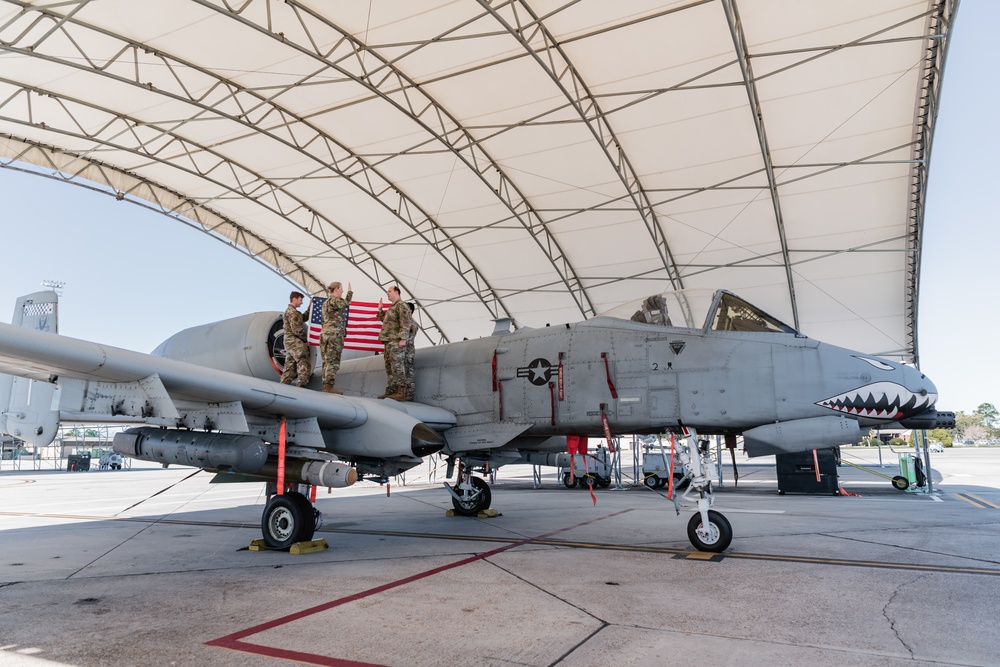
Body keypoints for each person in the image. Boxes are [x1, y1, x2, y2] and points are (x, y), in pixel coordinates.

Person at [376, 285, 412, 401]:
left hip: (396, 342)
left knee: (397, 366)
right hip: (389, 342)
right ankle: (391, 391)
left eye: (389, 291)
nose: (387, 293)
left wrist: (403, 339)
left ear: (396, 292)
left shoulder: (402, 305)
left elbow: (405, 322)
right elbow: (387, 322)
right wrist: (380, 310)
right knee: (390, 368)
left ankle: (401, 392)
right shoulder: (393, 307)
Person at [320, 281, 353, 393]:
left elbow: (323, 321)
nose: (342, 291)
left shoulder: (325, 303)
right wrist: (349, 293)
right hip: (333, 335)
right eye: (341, 289)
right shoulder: (334, 300)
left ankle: (326, 385)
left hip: (325, 334)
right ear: (336, 290)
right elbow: (345, 304)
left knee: (326, 360)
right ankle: (329, 386)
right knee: (333, 360)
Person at [280, 291, 312, 387]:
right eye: (300, 300)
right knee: (304, 361)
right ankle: (301, 387)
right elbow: (297, 330)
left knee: (289, 366)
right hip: (294, 342)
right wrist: (305, 341)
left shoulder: (292, 312)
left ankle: (283, 387)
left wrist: (311, 306)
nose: (302, 302)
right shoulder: (292, 313)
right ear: (294, 299)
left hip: (289, 343)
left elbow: (304, 317)